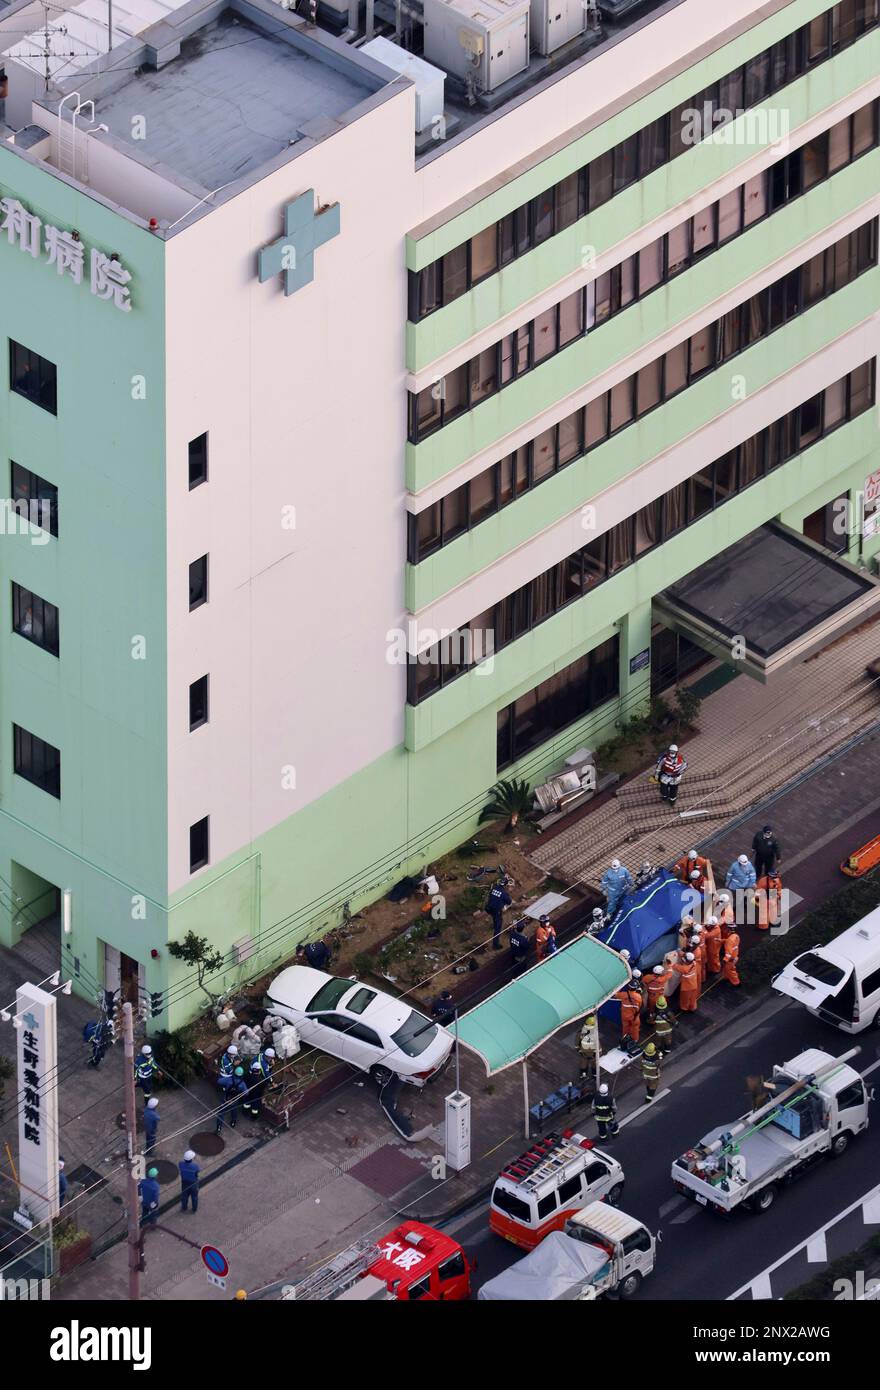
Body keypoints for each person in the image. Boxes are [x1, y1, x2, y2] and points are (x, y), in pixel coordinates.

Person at [614, 973, 643, 1049]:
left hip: (625, 1016)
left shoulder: (623, 994)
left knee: (625, 1028)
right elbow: (639, 1006)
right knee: (635, 1029)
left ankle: (625, 1040)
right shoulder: (639, 997)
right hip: (635, 1017)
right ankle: (635, 1042)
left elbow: (615, 995)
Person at [245, 1047, 276, 1117]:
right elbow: (267, 1075)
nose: (272, 1059)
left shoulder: (261, 1055)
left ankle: (245, 1111)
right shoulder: (263, 1065)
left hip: (249, 1079)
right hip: (255, 1085)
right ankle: (254, 1116)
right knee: (255, 1100)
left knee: (247, 1098)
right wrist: (272, 1083)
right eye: (271, 1058)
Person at [216, 1066, 247, 1134]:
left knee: (221, 1113)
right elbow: (246, 1093)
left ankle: (219, 1127)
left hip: (226, 1099)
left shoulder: (228, 1080)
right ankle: (233, 1121)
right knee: (234, 1110)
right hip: (234, 1100)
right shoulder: (242, 1084)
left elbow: (219, 1081)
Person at [485, 877, 512, 950]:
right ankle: (495, 944)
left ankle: (494, 924)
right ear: (505, 885)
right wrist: (507, 894)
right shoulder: (504, 893)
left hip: (489, 908)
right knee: (498, 927)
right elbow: (509, 902)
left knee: (494, 917)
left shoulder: (494, 888)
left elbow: (491, 897)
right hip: (496, 911)